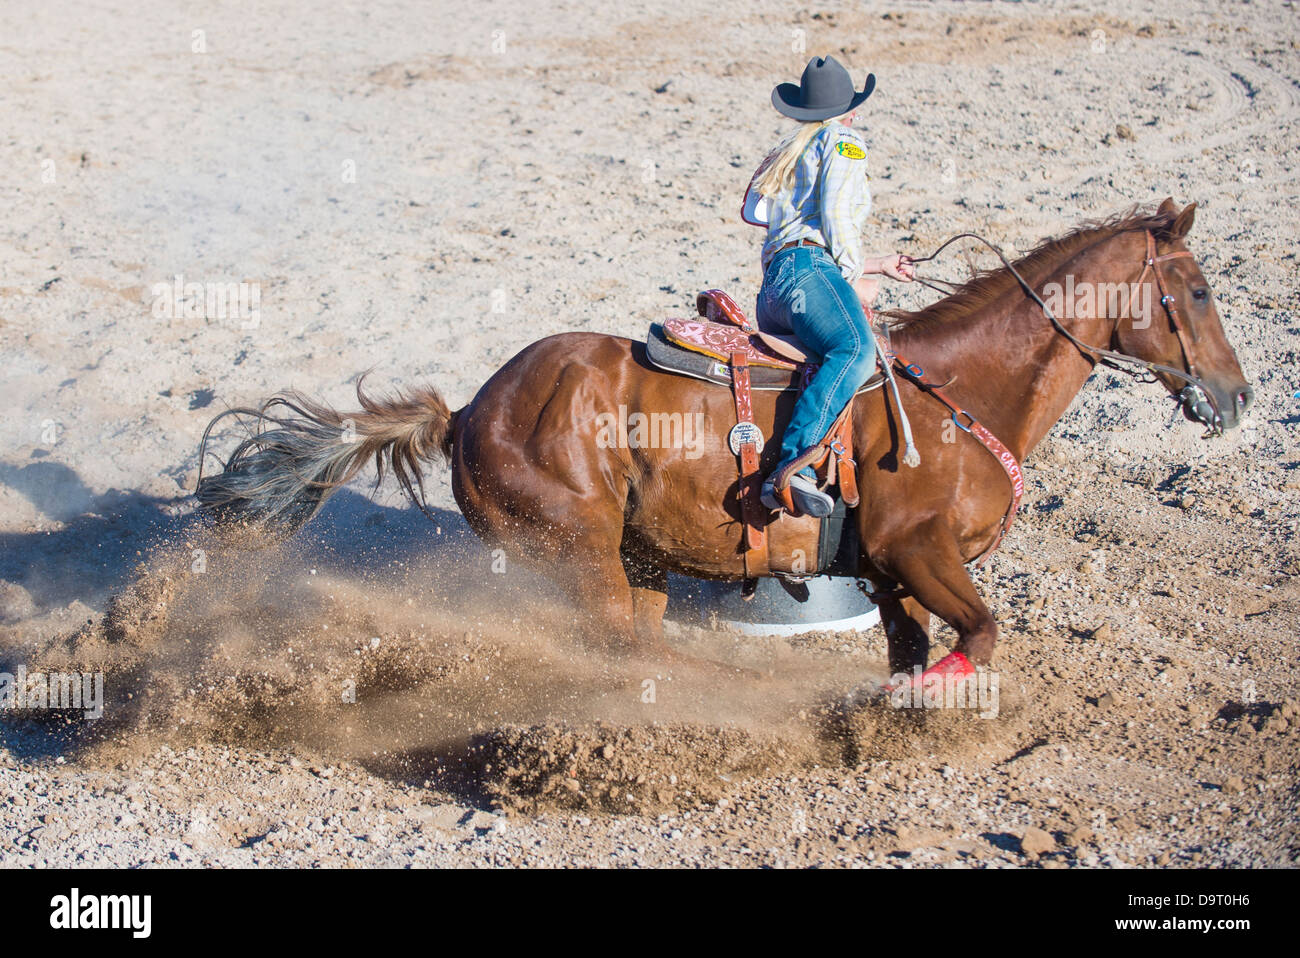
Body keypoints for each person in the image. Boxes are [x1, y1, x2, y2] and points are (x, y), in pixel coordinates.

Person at [747, 55, 915, 518]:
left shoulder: (789, 148)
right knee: (855, 352)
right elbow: (837, 217)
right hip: (809, 272)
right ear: (851, 109)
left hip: (776, 289)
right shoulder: (844, 140)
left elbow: (779, 220)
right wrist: (851, 272)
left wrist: (876, 265)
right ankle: (795, 465)